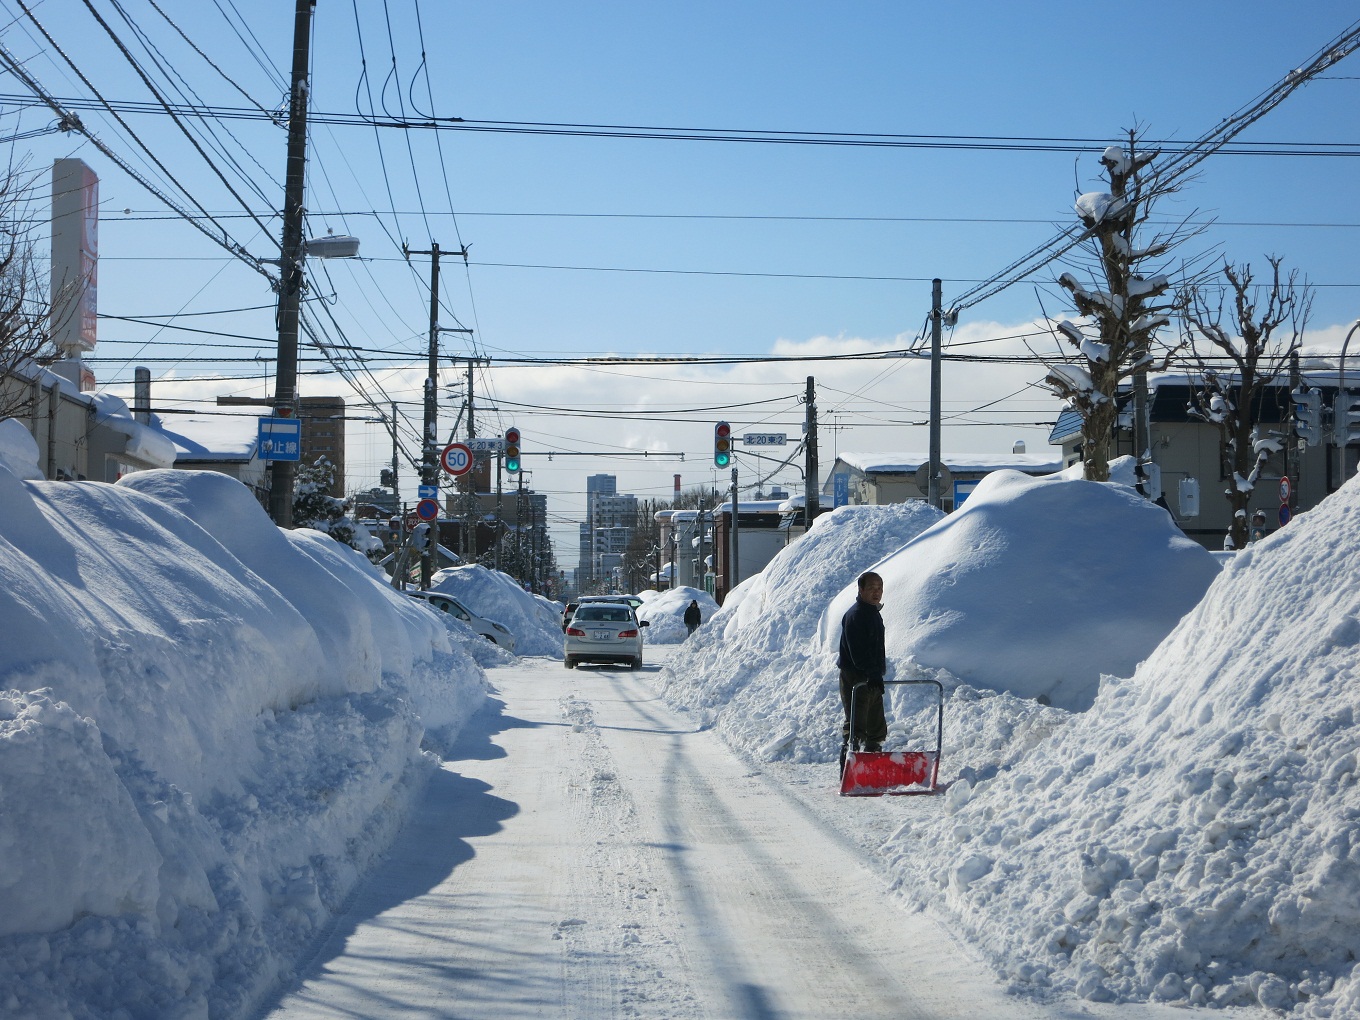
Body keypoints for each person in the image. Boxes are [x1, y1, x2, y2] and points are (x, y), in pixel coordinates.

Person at [838, 570, 887, 757]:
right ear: (861, 589)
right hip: (856, 677)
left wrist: (876, 674)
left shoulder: (872, 613)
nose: (877, 592)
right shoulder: (856, 615)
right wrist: (872, 672)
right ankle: (849, 771)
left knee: (876, 727)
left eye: (880, 588)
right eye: (872, 588)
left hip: (872, 676)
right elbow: (857, 652)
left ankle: (873, 768)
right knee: (856, 727)